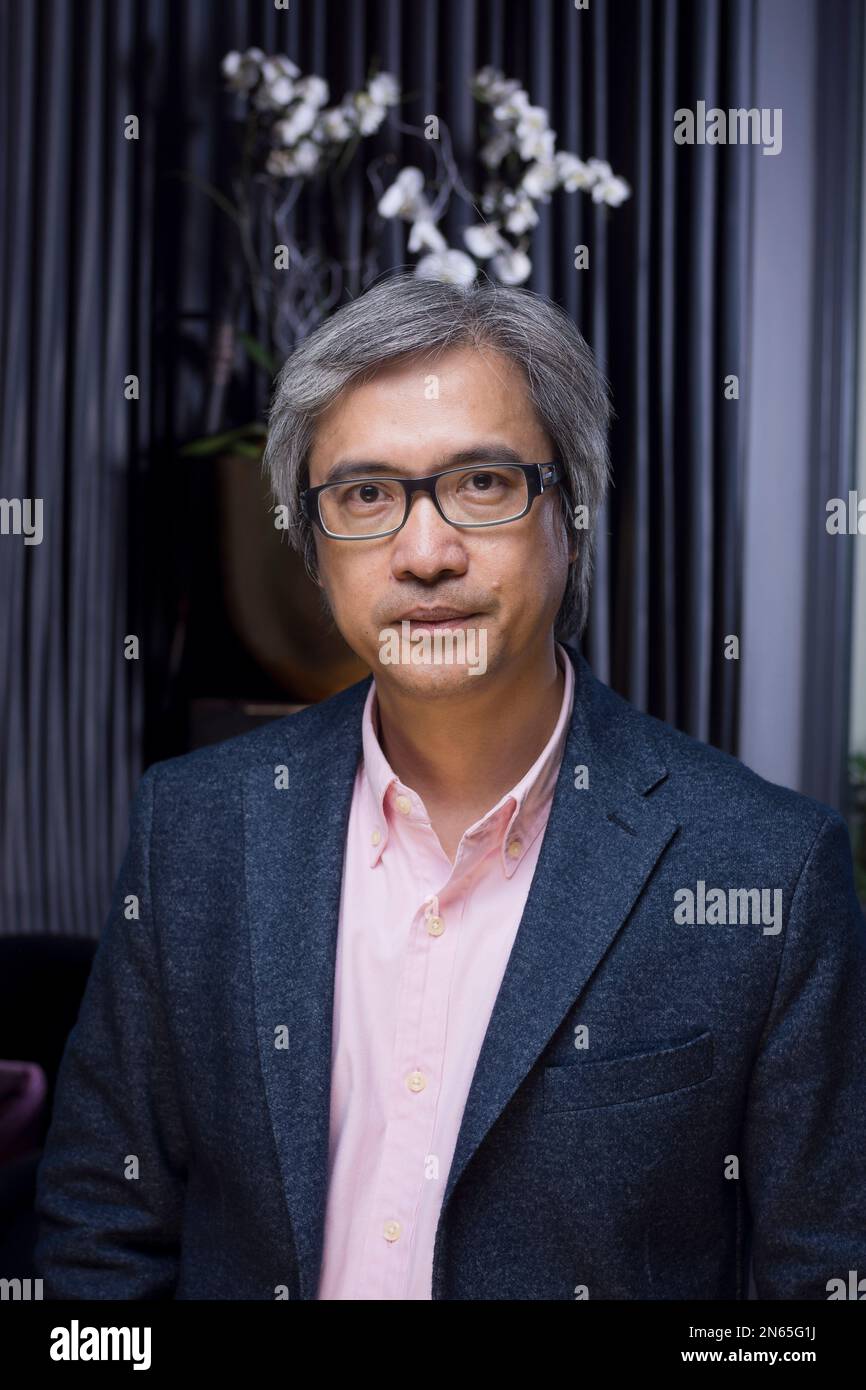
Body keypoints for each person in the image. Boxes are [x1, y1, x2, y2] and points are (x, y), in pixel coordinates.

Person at [33, 273, 866, 1300]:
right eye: (366, 494)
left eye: (480, 482)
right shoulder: (194, 827)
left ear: (571, 510)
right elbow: (97, 1236)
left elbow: (817, 1291)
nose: (423, 554)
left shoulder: (764, 871)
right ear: (312, 542)